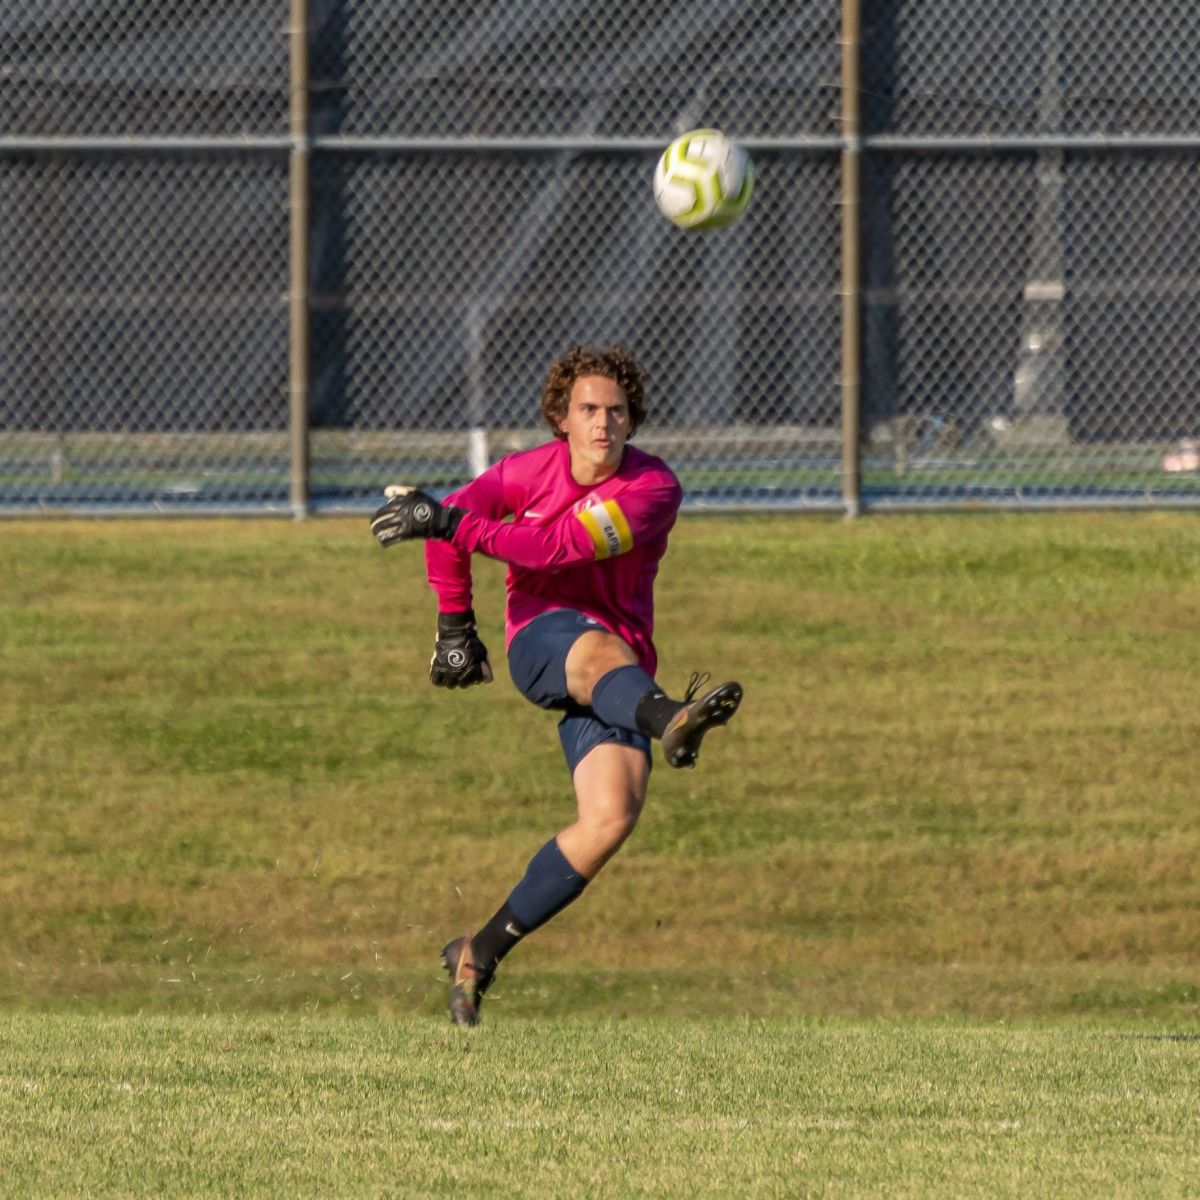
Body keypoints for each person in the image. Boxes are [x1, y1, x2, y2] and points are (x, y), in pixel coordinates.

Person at [370, 343, 742, 1025]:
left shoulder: (652, 489)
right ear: (560, 419)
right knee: (598, 647)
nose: (604, 424)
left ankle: (477, 952)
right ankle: (673, 721)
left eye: (618, 412)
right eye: (589, 410)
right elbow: (443, 518)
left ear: (634, 421)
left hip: (616, 674)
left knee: (610, 818)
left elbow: (555, 546)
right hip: (543, 641)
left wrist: (448, 519)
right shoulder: (526, 472)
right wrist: (455, 626)